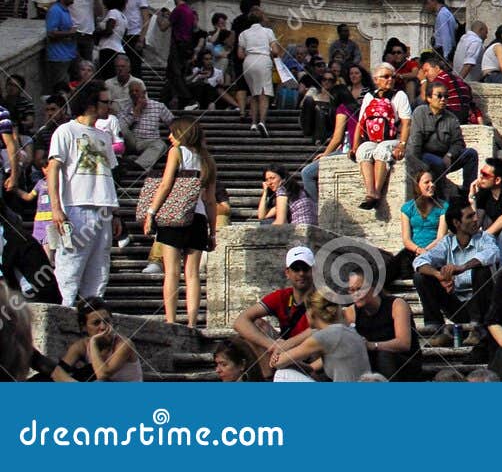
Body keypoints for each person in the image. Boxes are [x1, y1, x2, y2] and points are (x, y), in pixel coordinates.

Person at [46, 82, 118, 305]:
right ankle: (63, 313)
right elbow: (53, 169)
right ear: (90, 104)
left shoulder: (105, 136)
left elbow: (109, 174)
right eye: (105, 102)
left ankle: (92, 319)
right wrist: (56, 208)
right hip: (76, 206)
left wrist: (115, 213)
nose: (109, 106)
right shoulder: (66, 131)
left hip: (104, 208)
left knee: (99, 270)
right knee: (70, 267)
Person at [142, 117, 217, 328]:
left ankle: (171, 320)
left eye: (173, 133)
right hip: (199, 217)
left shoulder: (176, 153)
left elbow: (166, 184)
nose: (169, 137)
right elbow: (210, 200)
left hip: (174, 216)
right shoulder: (207, 160)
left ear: (181, 134)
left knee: (172, 272)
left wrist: (151, 212)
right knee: (192, 274)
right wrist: (212, 231)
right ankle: (192, 322)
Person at [414, 202, 500, 343]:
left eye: (474, 215)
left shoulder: (485, 237)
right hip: (457, 305)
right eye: (469, 217)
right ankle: (437, 330)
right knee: (420, 276)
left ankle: (477, 329)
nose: (476, 219)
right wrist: (439, 276)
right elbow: (419, 261)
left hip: (482, 305)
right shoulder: (447, 242)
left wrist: (463, 267)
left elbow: (494, 253)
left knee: (481, 269)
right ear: (457, 223)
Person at [231, 246, 317, 373]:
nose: (301, 274)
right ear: (287, 273)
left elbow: (324, 328)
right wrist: (272, 345)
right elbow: (240, 322)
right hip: (282, 351)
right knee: (257, 325)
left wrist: (288, 344)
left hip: (310, 354)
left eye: (305, 269)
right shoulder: (282, 296)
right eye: (296, 269)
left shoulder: (324, 298)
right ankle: (269, 378)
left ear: (313, 271)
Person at [270, 291, 371, 382]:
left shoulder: (325, 335)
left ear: (311, 313)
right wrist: (290, 362)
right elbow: (310, 368)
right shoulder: (346, 330)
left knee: (282, 374)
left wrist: (276, 358)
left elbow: (278, 363)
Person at [353, 64, 412, 210]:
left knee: (382, 150)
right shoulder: (369, 96)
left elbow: (406, 123)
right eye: (385, 76)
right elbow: (360, 123)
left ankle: (376, 193)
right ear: (376, 80)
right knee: (363, 151)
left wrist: (402, 144)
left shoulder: (399, 95)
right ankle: (370, 191)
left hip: (394, 139)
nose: (390, 79)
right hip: (373, 139)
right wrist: (355, 146)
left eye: (392, 76)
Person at [405, 78, 477, 197]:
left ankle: (467, 193)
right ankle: (441, 198)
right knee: (438, 163)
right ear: (429, 98)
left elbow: (458, 142)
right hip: (424, 156)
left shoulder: (451, 118)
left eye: (446, 96)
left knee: (470, 154)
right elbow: (415, 143)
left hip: (445, 156)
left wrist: (449, 155)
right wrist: (418, 167)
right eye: (439, 96)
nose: (443, 99)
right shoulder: (420, 112)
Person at [51, 297, 141, 381]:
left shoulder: (123, 344)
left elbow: (102, 375)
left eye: (107, 321)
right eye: (96, 323)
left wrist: (93, 342)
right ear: (84, 327)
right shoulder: (81, 346)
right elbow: (58, 372)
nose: (103, 327)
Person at [235, 11, 281, 136]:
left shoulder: (243, 33)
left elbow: (240, 55)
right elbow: (275, 51)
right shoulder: (268, 32)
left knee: (254, 93)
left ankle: (253, 123)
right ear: (261, 19)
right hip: (263, 60)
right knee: (264, 93)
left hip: (248, 62)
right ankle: (262, 122)